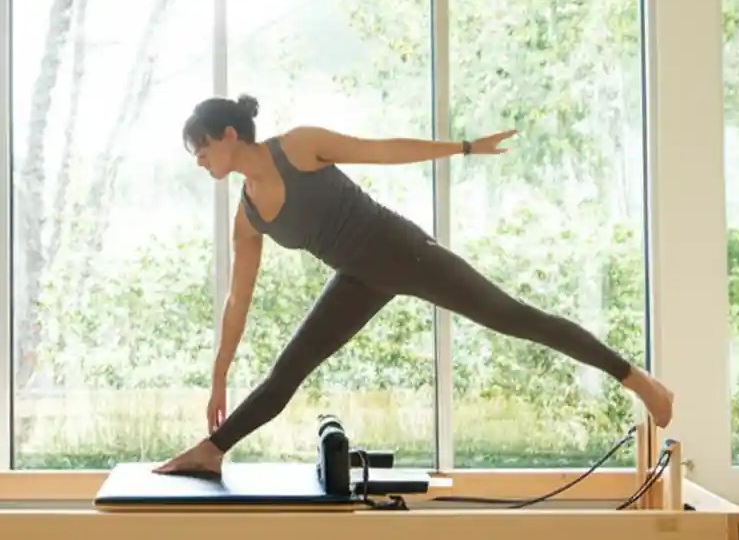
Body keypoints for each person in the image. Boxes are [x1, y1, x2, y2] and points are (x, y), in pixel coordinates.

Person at [154, 94, 673, 477]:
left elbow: (381, 151)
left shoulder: (298, 145)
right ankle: (213, 448)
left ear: (227, 135)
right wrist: (219, 375)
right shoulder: (247, 218)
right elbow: (237, 301)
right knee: (289, 368)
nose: (198, 161)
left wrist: (465, 147)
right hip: (359, 277)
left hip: (405, 251)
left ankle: (636, 378)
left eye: (200, 149)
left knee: (512, 317)